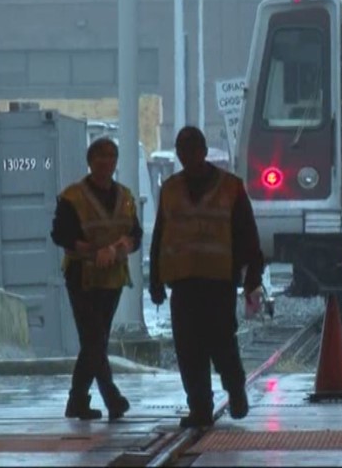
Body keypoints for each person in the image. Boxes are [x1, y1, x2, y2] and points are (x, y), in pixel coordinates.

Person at [149, 126, 265, 428]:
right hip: (183, 282)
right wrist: (156, 280)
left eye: (191, 150)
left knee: (222, 343)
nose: (186, 156)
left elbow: (248, 235)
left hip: (218, 282)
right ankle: (200, 407)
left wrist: (253, 275)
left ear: (203, 151)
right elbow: (161, 235)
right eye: (181, 151)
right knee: (188, 349)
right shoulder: (170, 188)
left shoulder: (231, 187)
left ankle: (235, 389)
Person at [50, 137, 143, 421]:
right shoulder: (73, 197)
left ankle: (78, 401)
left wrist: (122, 246)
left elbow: (135, 233)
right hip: (83, 276)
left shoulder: (125, 196)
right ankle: (110, 397)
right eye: (100, 156)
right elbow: (61, 235)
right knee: (93, 339)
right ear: (90, 162)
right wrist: (92, 251)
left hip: (113, 278)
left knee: (96, 341)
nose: (106, 161)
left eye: (111, 156)